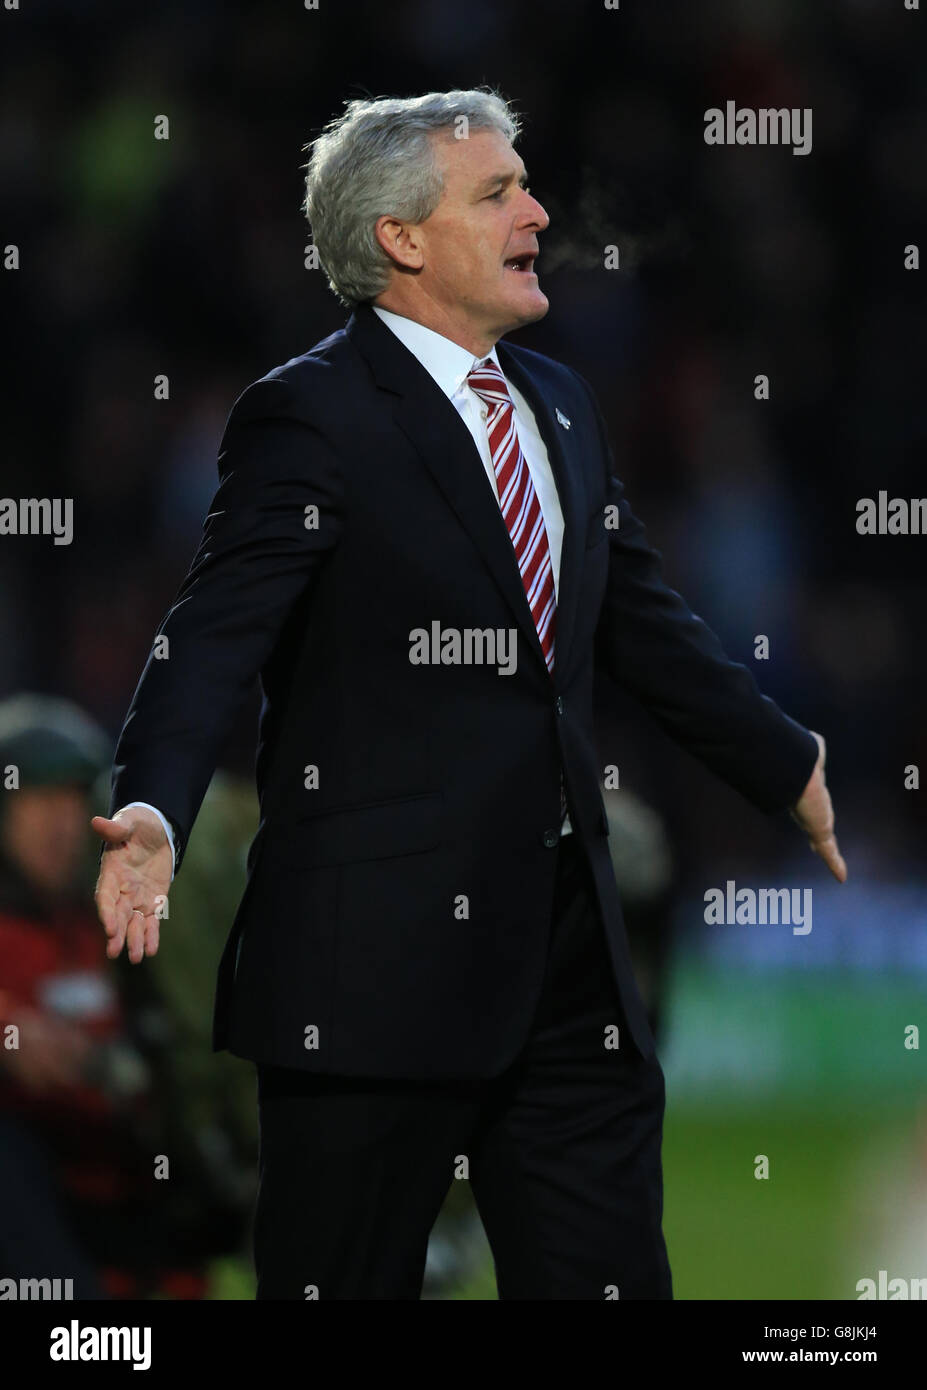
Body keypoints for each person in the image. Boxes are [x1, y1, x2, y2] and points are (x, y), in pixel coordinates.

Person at [92, 87, 846, 1301]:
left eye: (529, 186)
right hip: (372, 972)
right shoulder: (314, 414)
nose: (539, 212)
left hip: (566, 959)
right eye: (498, 192)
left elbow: (641, 621)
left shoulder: (558, 401)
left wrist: (783, 758)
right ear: (400, 237)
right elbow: (213, 634)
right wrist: (156, 809)